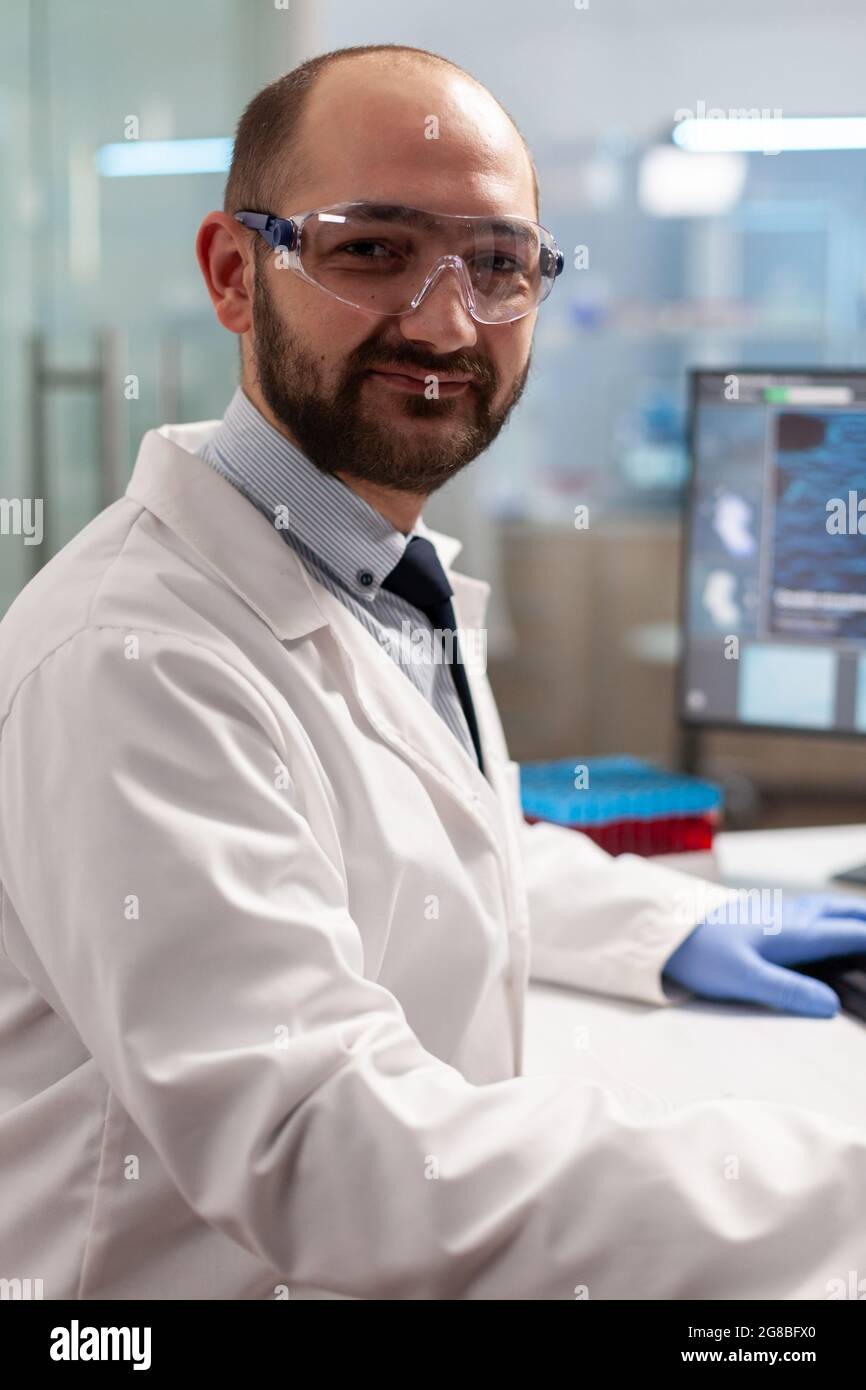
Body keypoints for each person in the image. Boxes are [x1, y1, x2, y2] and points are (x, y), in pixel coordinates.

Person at [1, 43, 865, 1301]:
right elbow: (319, 1139)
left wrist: (679, 927)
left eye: (500, 265)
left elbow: (420, 848)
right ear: (235, 273)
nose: (446, 319)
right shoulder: (130, 660)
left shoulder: (374, 568)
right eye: (371, 249)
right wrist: (828, 1192)